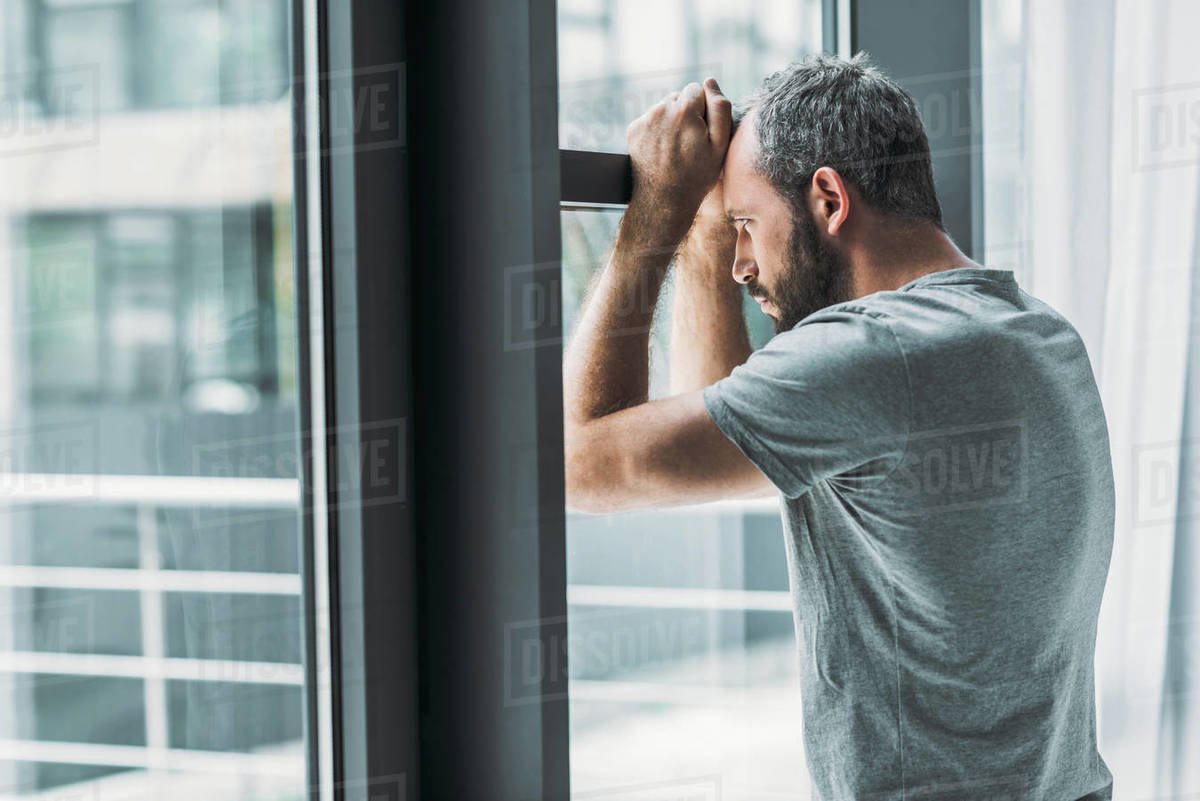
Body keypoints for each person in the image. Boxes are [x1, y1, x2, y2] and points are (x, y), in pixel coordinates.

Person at [562, 53, 1115, 801]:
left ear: (827, 197)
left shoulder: (875, 355)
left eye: (748, 226)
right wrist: (705, 230)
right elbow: (732, 414)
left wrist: (653, 213)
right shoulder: (1035, 333)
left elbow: (580, 465)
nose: (741, 265)